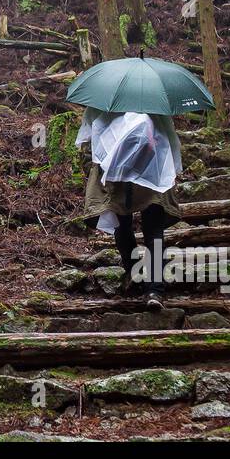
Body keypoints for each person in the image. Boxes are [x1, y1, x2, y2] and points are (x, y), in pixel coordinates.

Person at [77, 109, 183, 310]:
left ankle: (138, 277)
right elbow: (168, 138)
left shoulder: (106, 100)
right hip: (153, 169)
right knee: (152, 230)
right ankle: (153, 288)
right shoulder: (155, 101)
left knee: (124, 226)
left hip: (118, 173)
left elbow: (92, 141)